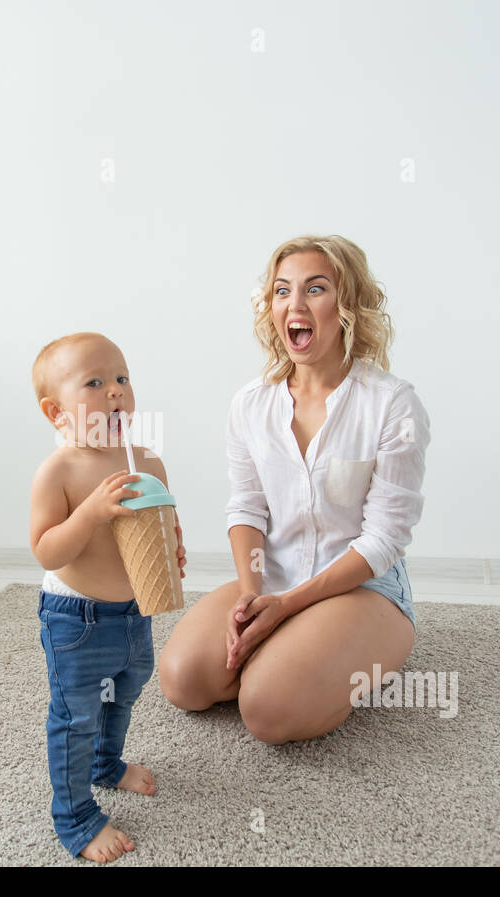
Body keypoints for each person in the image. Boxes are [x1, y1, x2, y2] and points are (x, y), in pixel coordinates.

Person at [159, 234, 430, 745]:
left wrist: (289, 607)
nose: (295, 305)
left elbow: (384, 539)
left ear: (347, 305)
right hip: (275, 577)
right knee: (183, 681)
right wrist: (250, 595)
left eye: (315, 289)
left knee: (266, 708)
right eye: (282, 291)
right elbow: (247, 507)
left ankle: (344, 647)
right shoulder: (250, 403)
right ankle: (292, 646)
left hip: (363, 587)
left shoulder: (392, 405)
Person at [28, 332, 187, 862]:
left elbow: (164, 526)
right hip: (77, 620)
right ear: (56, 412)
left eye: (121, 378)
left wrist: (175, 550)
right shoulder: (61, 471)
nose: (115, 392)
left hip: (134, 612)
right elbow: (47, 550)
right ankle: (73, 817)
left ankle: (106, 763)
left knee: (126, 690)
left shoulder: (147, 463)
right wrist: (90, 513)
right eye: (94, 383)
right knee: (75, 714)